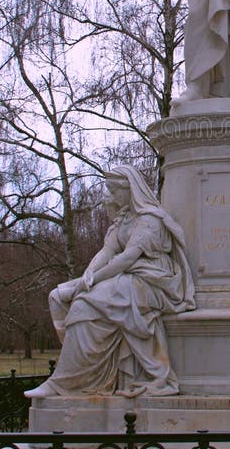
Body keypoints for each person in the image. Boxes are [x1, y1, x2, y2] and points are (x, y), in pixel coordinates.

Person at [25, 166, 195, 399]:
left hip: (155, 282)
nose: (111, 197)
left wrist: (94, 280)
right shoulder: (125, 219)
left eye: (115, 191)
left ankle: (64, 383)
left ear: (130, 190)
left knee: (84, 303)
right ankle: (78, 377)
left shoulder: (149, 220)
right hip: (131, 277)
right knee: (60, 296)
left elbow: (127, 258)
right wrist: (88, 274)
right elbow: (108, 251)